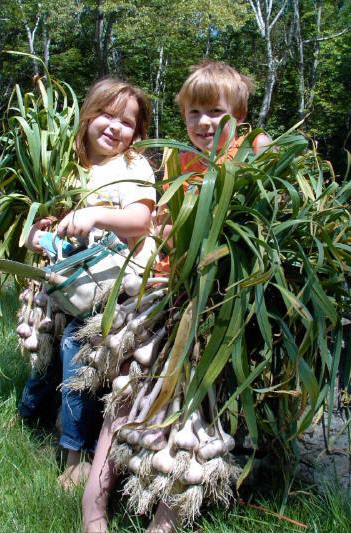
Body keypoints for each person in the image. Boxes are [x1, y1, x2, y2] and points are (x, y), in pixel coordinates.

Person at [19, 78, 156, 495]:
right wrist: (40, 232)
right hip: (65, 283)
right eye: (107, 115)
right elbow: (50, 222)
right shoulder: (68, 165)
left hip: (109, 289)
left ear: (138, 131)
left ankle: (75, 457)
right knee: (44, 360)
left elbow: (140, 222)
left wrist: (96, 216)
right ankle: (27, 414)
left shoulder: (133, 166)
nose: (115, 127)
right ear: (88, 116)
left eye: (127, 121)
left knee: (74, 356)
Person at [151, 61, 271, 531]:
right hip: (179, 281)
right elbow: (163, 222)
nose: (204, 123)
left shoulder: (253, 148)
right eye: (193, 113)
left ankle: (182, 500)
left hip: (229, 289)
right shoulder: (176, 161)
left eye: (216, 112)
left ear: (238, 114)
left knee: (205, 388)